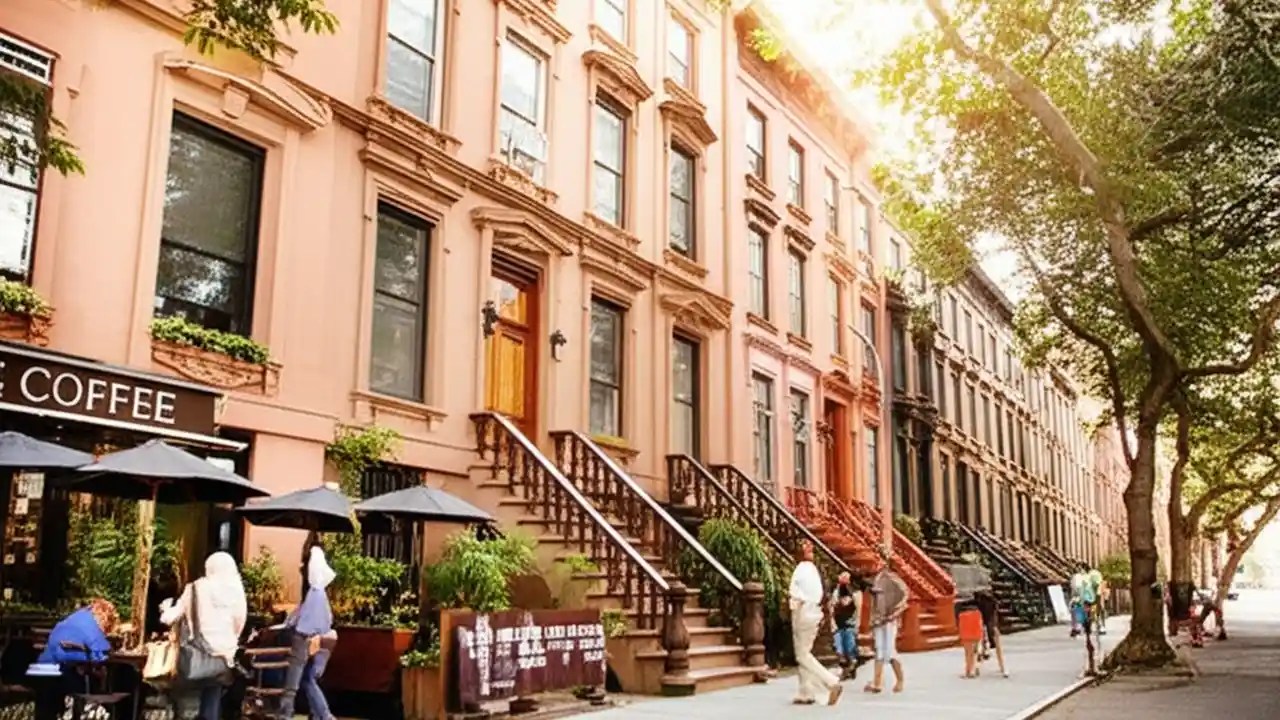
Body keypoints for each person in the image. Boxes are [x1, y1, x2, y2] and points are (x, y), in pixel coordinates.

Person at [159, 551, 247, 720]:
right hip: (224, 655)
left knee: (187, 696)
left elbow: (169, 618)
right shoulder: (236, 590)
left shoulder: (195, 588)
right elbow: (240, 622)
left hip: (196, 654)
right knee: (213, 691)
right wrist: (229, 641)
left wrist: (165, 608)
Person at [30, 598, 119, 720]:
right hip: (64, 675)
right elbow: (103, 654)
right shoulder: (92, 626)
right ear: (105, 618)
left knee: (45, 711)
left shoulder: (73, 619)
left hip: (40, 670)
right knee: (95, 684)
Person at [278, 546, 337, 720]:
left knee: (294, 681)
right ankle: (321, 714)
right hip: (316, 643)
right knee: (307, 679)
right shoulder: (318, 593)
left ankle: (288, 713)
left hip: (304, 641)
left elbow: (307, 623)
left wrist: (292, 624)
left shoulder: (315, 593)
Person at [788, 541, 843, 706]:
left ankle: (831, 682)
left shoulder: (800, 570)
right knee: (805, 651)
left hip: (803, 612)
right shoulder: (813, 570)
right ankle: (806, 691)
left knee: (802, 655)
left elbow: (795, 595)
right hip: (815, 613)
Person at [865, 552, 908, 694]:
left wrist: (896, 610)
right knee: (879, 650)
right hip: (878, 619)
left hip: (889, 619)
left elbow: (904, 593)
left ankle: (900, 679)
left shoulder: (891, 578)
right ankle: (877, 682)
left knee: (890, 651)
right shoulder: (875, 579)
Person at [829, 571, 861, 679]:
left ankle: (850, 669)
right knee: (839, 648)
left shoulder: (853, 593)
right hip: (838, 624)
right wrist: (832, 621)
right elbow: (832, 607)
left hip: (849, 624)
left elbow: (857, 608)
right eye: (842, 576)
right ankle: (846, 669)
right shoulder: (836, 591)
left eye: (846, 577)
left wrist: (857, 623)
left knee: (849, 648)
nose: (843, 578)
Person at [975, 591, 1008, 678]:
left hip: (983, 615)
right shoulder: (991, 605)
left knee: (981, 641)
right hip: (989, 618)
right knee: (996, 642)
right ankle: (1002, 667)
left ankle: (977, 665)